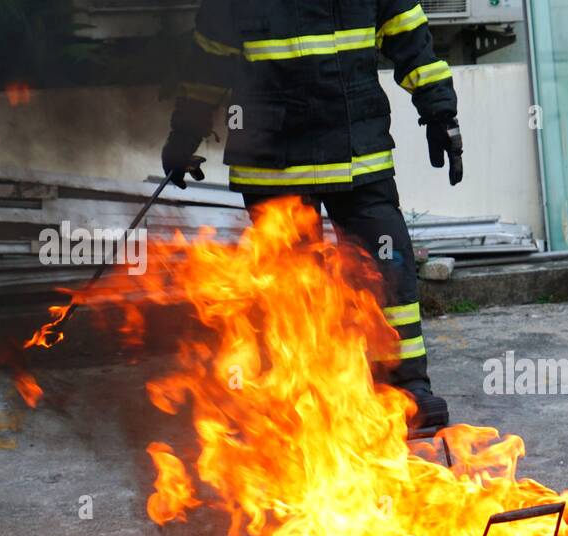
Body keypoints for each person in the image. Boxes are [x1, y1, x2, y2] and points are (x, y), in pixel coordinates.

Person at [160, 0, 463, 431]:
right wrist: (183, 135)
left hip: (358, 153)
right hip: (273, 162)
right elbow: (208, 64)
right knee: (289, 287)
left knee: (387, 270)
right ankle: (302, 398)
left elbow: (409, 37)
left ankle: (404, 390)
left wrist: (440, 112)